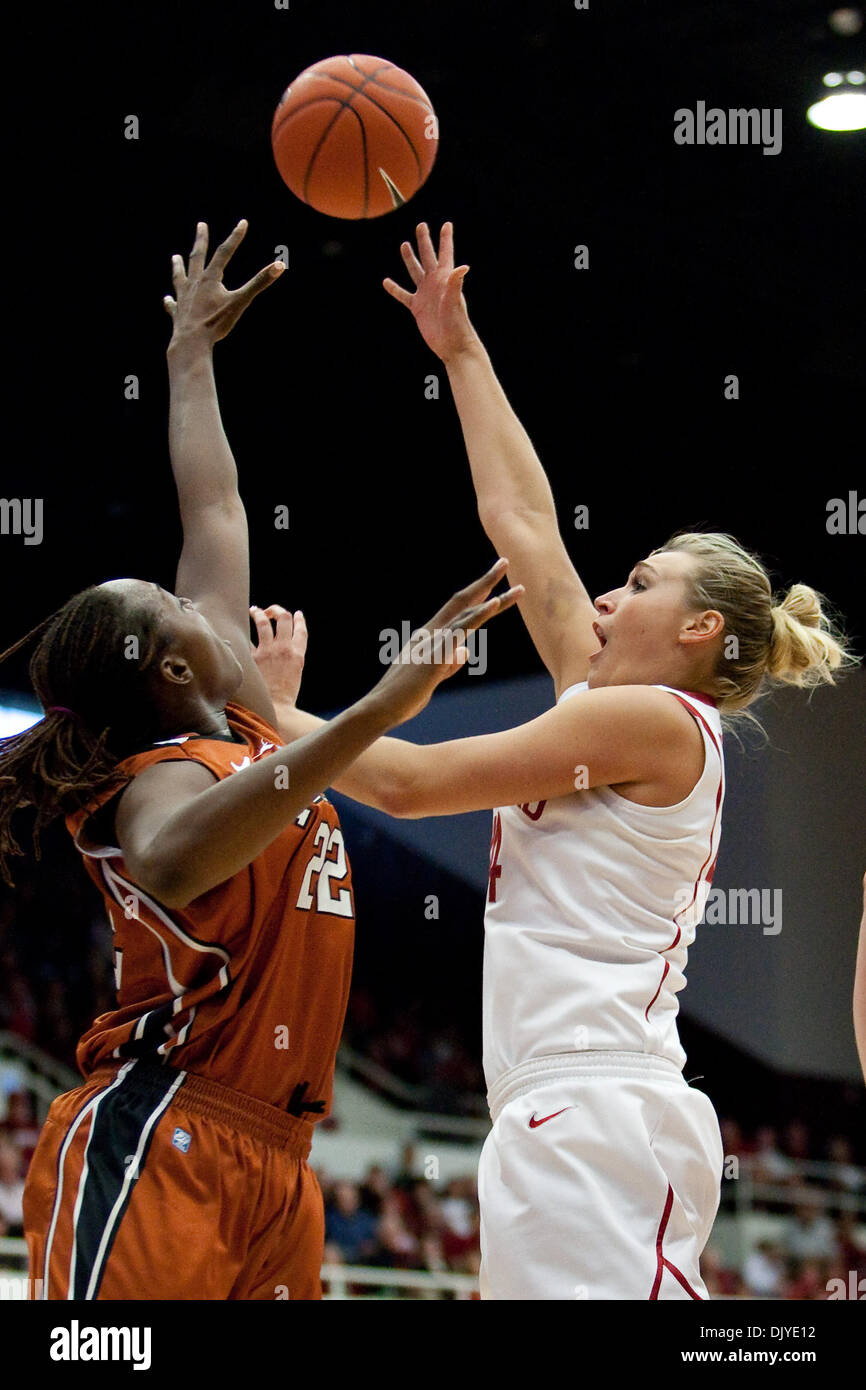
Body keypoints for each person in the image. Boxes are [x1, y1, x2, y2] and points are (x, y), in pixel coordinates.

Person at [257, 221, 856, 1299]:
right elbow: (523, 521)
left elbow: (408, 782)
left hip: (599, 1111)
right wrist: (459, 349)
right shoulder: (613, 704)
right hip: (550, 1109)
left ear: (697, 633)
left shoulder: (657, 722)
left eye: (639, 580)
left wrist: (261, 714)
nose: (608, 595)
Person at [0, 219, 520, 1301]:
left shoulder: (234, 726)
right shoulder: (154, 775)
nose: (193, 597)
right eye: (173, 607)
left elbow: (214, 502)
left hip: (279, 1161)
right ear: (171, 671)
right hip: (159, 1131)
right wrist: (374, 707)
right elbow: (175, 863)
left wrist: (187, 356)